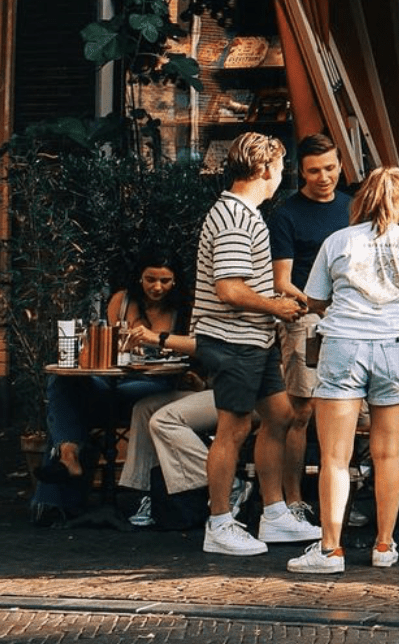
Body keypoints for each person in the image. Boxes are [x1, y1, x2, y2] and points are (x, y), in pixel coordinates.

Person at [288, 166, 399, 574]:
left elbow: (314, 300)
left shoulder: (338, 241)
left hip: (343, 345)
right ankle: (384, 545)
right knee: (388, 453)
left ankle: (330, 550)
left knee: (335, 457)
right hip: (394, 349)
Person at [192, 132, 320, 557]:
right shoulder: (234, 216)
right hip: (234, 339)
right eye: (281, 166)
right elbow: (228, 289)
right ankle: (220, 522)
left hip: (253, 339)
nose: (282, 174)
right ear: (266, 168)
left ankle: (274, 513)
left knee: (281, 416)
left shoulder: (244, 213)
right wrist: (276, 307)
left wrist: (275, 306)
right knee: (234, 428)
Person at [38, 250, 189, 489]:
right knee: (61, 380)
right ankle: (68, 455)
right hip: (112, 380)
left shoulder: (183, 311)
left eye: (165, 280)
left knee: (71, 406)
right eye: (150, 279)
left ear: (175, 280)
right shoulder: (122, 300)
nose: (157, 287)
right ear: (140, 277)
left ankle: (63, 468)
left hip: (153, 385)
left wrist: (156, 339)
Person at [267, 132, 352, 526]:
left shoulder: (353, 210)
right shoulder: (287, 214)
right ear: (300, 171)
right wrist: (318, 305)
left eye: (331, 168)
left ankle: (342, 499)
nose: (324, 177)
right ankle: (295, 501)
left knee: (348, 411)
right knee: (301, 412)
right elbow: (281, 280)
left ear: (340, 166)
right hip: (306, 318)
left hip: (351, 320)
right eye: (314, 170)